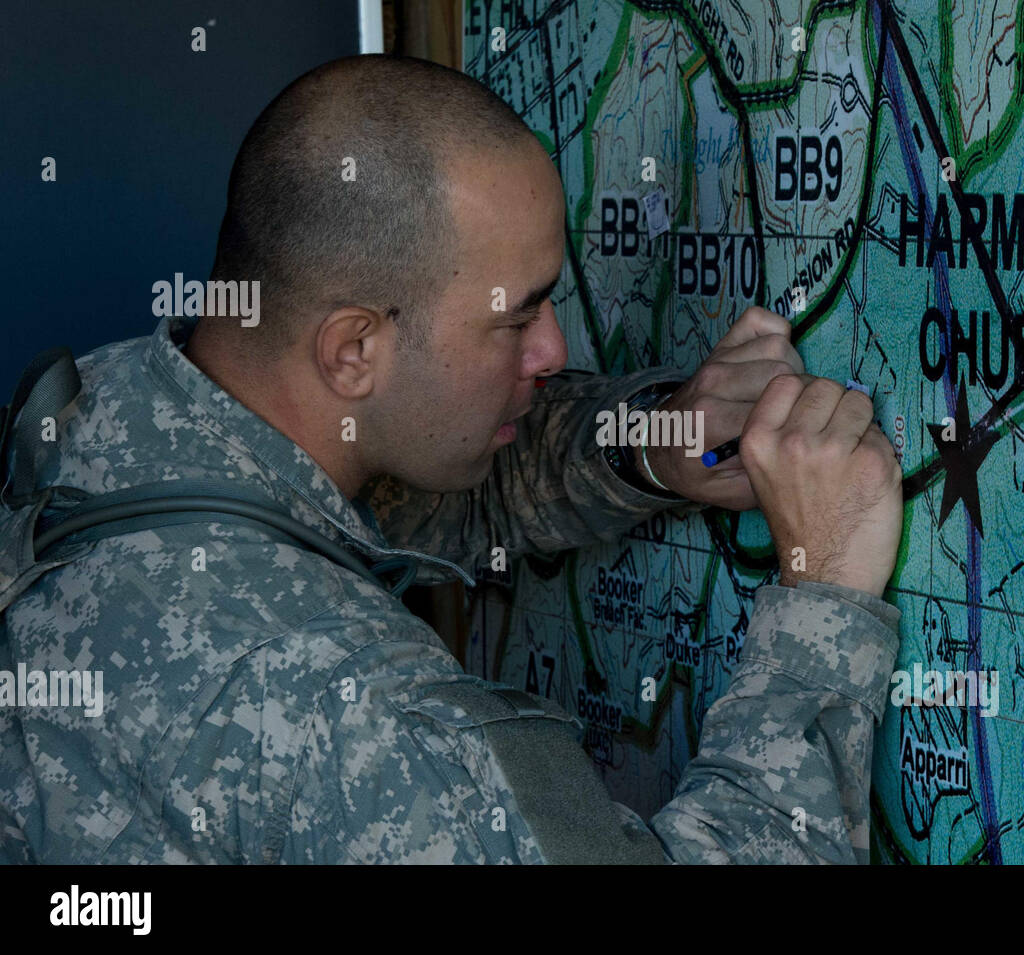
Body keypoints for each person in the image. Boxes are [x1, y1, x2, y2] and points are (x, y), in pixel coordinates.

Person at [0, 55, 902, 864]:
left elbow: (389, 490)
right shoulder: (351, 718)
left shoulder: (102, 422)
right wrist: (823, 596)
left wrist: (652, 445)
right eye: (517, 317)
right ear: (352, 350)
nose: (551, 349)